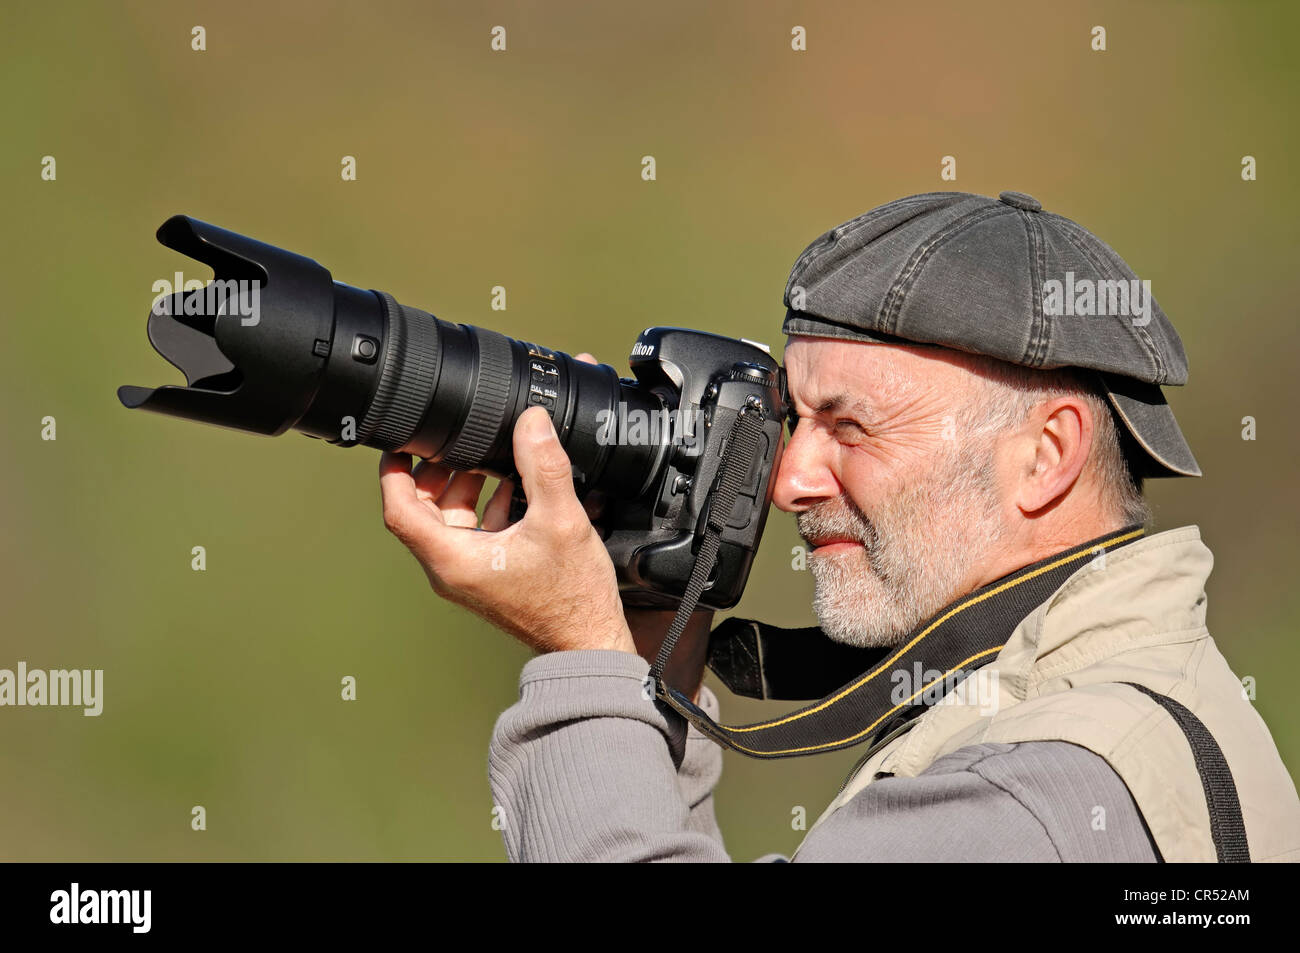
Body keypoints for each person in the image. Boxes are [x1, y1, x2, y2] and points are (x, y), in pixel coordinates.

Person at [378, 190, 1300, 862]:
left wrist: (579, 657)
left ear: (1044, 455)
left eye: (849, 426)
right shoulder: (1114, 709)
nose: (787, 478)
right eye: (793, 420)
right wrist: (649, 648)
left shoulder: (1037, 791)